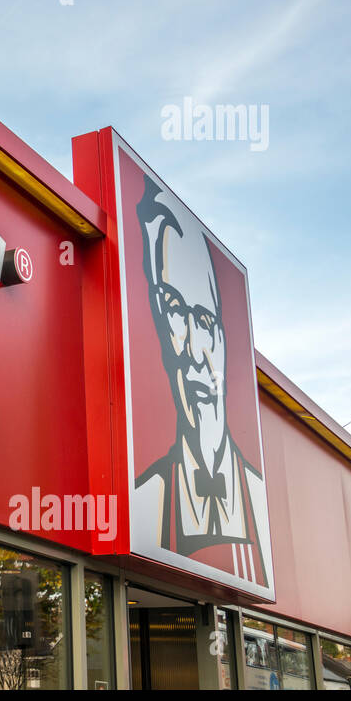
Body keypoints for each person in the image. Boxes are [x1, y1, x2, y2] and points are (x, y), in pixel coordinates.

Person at [132, 178, 269, 586]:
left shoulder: (259, 503)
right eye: (173, 310)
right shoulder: (144, 500)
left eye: (205, 320)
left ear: (225, 339)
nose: (193, 349)